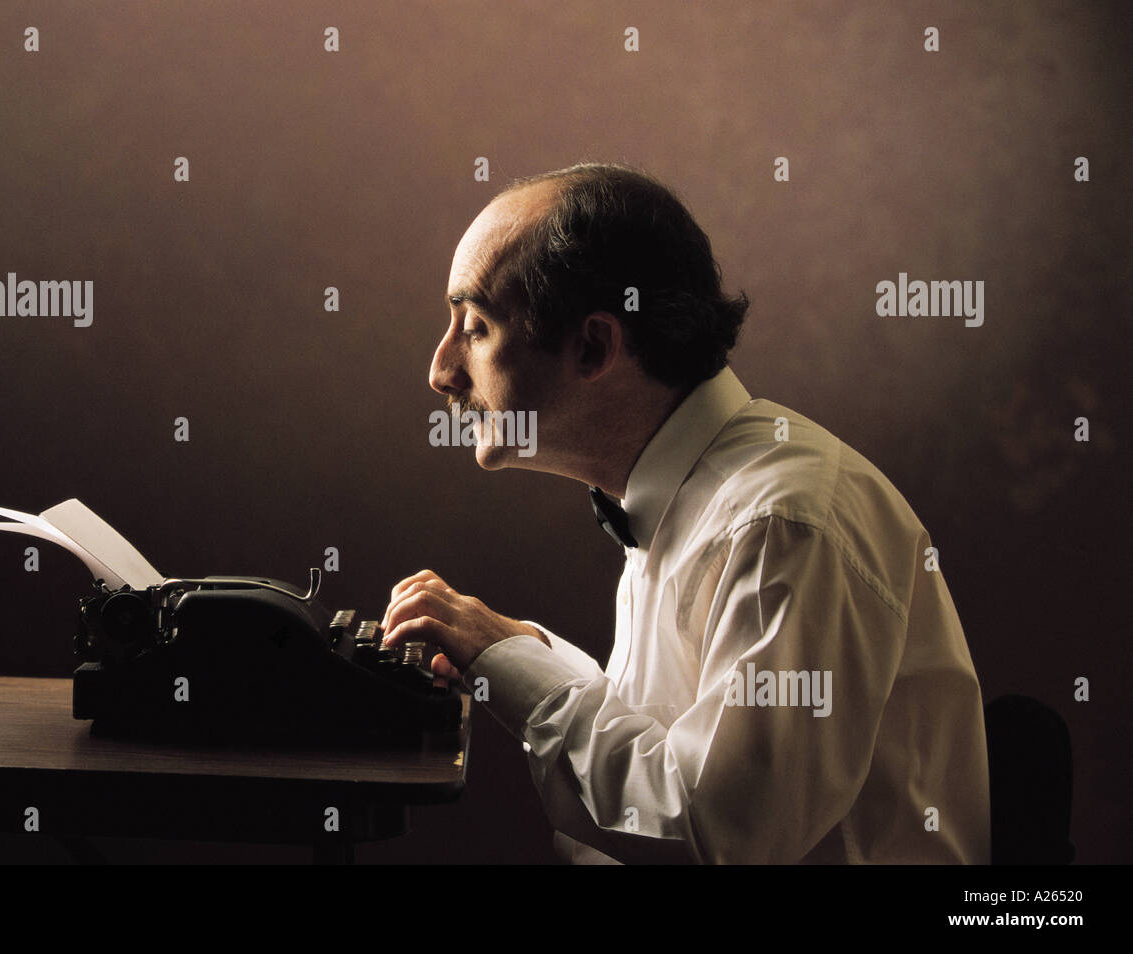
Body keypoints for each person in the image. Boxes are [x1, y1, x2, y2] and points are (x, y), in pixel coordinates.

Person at [380, 162, 991, 864]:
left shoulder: (782, 523)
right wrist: (526, 654)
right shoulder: (695, 491)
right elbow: (680, 748)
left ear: (594, 347)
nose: (441, 370)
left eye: (475, 325)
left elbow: (721, 836)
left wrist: (508, 665)